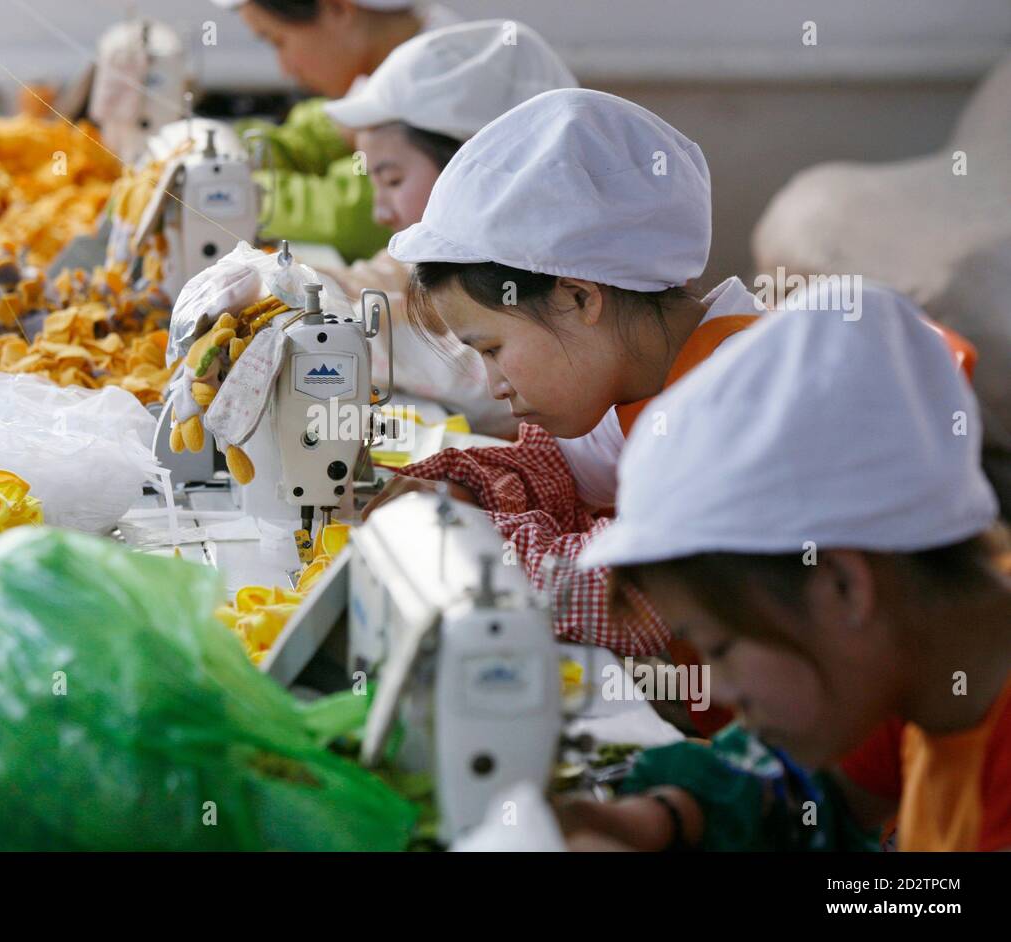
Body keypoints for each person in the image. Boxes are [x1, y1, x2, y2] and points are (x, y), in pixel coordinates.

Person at [561, 284, 1011, 852]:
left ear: (844, 586)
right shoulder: (925, 645)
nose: (716, 686)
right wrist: (657, 819)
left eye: (719, 647)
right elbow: (814, 789)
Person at [363, 88, 769, 656]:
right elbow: (551, 469)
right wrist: (446, 484)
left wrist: (459, 536)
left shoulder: (745, 399)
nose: (492, 384)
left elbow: (633, 598)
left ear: (579, 297)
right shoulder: (647, 373)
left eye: (493, 348)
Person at [315, 19, 577, 437]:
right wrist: (301, 281)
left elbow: (481, 385)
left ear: (470, 168)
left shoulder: (542, 272)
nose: (380, 212)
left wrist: (342, 337)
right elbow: (386, 277)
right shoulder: (441, 251)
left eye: (394, 180)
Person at [214, 0, 460, 261]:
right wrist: (231, 155)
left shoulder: (441, 84)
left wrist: (229, 193)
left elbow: (350, 214)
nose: (285, 69)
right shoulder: (380, 68)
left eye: (278, 41)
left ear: (338, 8)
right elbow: (309, 140)